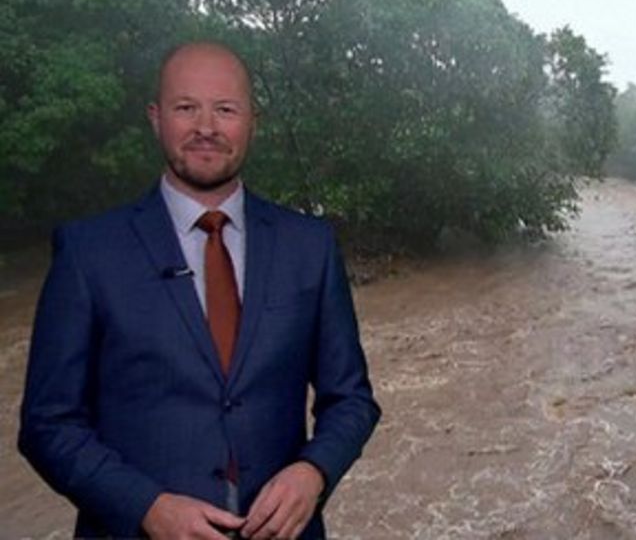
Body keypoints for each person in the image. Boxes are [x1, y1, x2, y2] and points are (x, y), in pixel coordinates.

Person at [18, 40, 381, 539]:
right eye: (186, 107)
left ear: (253, 121)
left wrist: (313, 473)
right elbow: (47, 425)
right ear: (155, 117)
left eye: (225, 110)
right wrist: (146, 507)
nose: (206, 127)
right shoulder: (88, 251)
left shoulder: (310, 246)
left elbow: (352, 400)